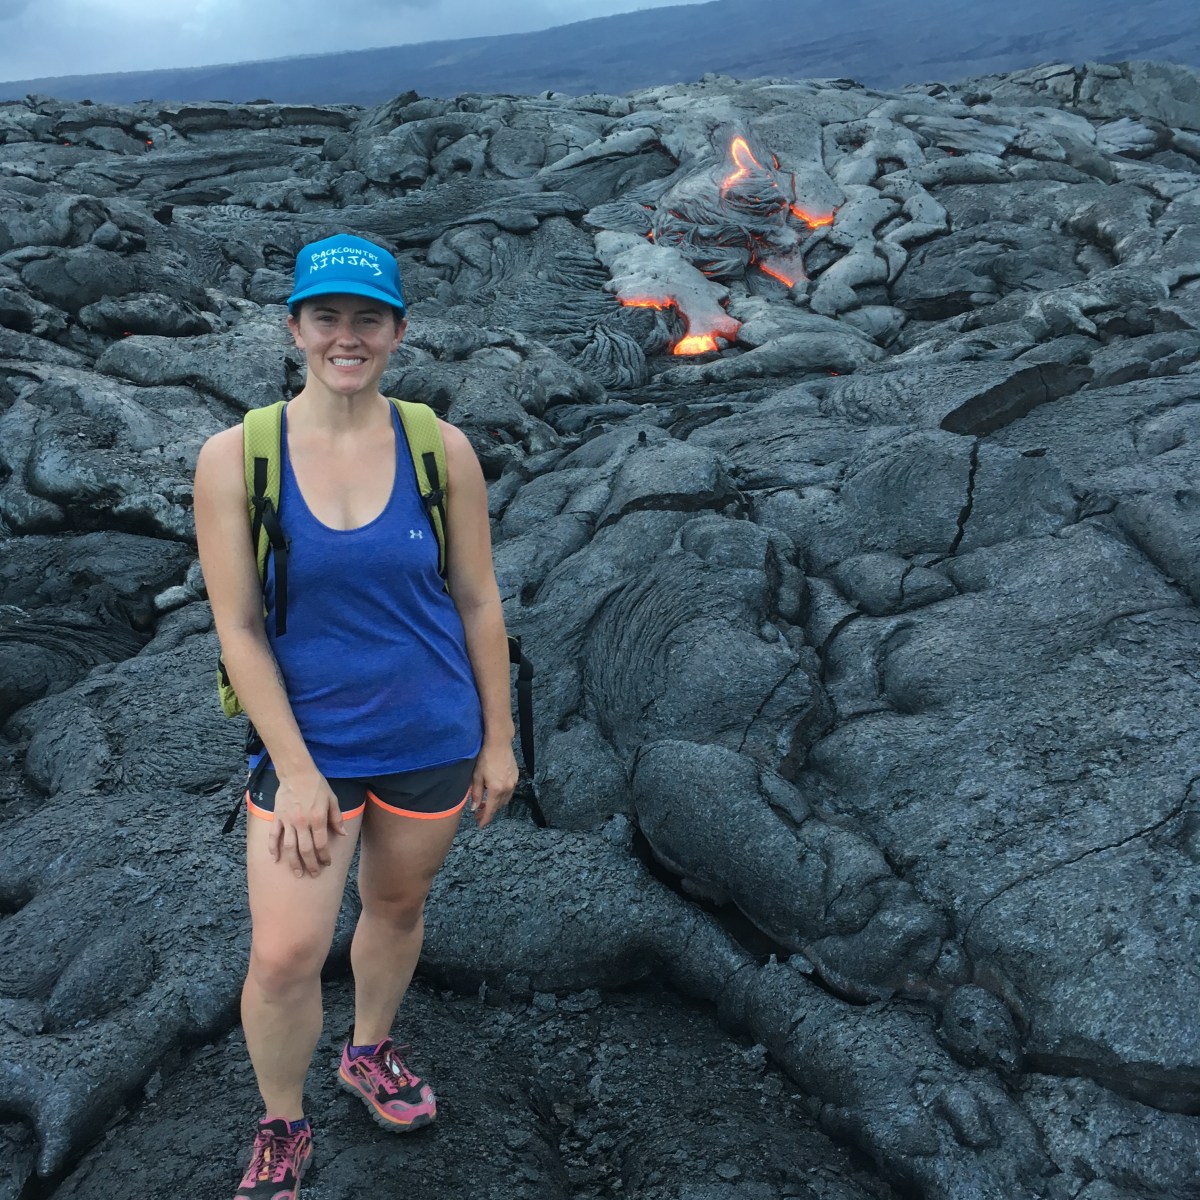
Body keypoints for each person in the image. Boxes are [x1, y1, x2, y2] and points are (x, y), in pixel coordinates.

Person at [193, 233, 519, 1200]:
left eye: (366, 318)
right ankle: (281, 1123)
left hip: (431, 736)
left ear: (397, 333)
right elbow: (239, 629)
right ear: (294, 328)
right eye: (326, 316)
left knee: (396, 906)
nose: (347, 335)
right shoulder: (237, 458)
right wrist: (294, 770)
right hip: (312, 753)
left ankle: (369, 1050)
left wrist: (498, 741)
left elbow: (477, 600)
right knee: (287, 951)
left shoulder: (438, 446)